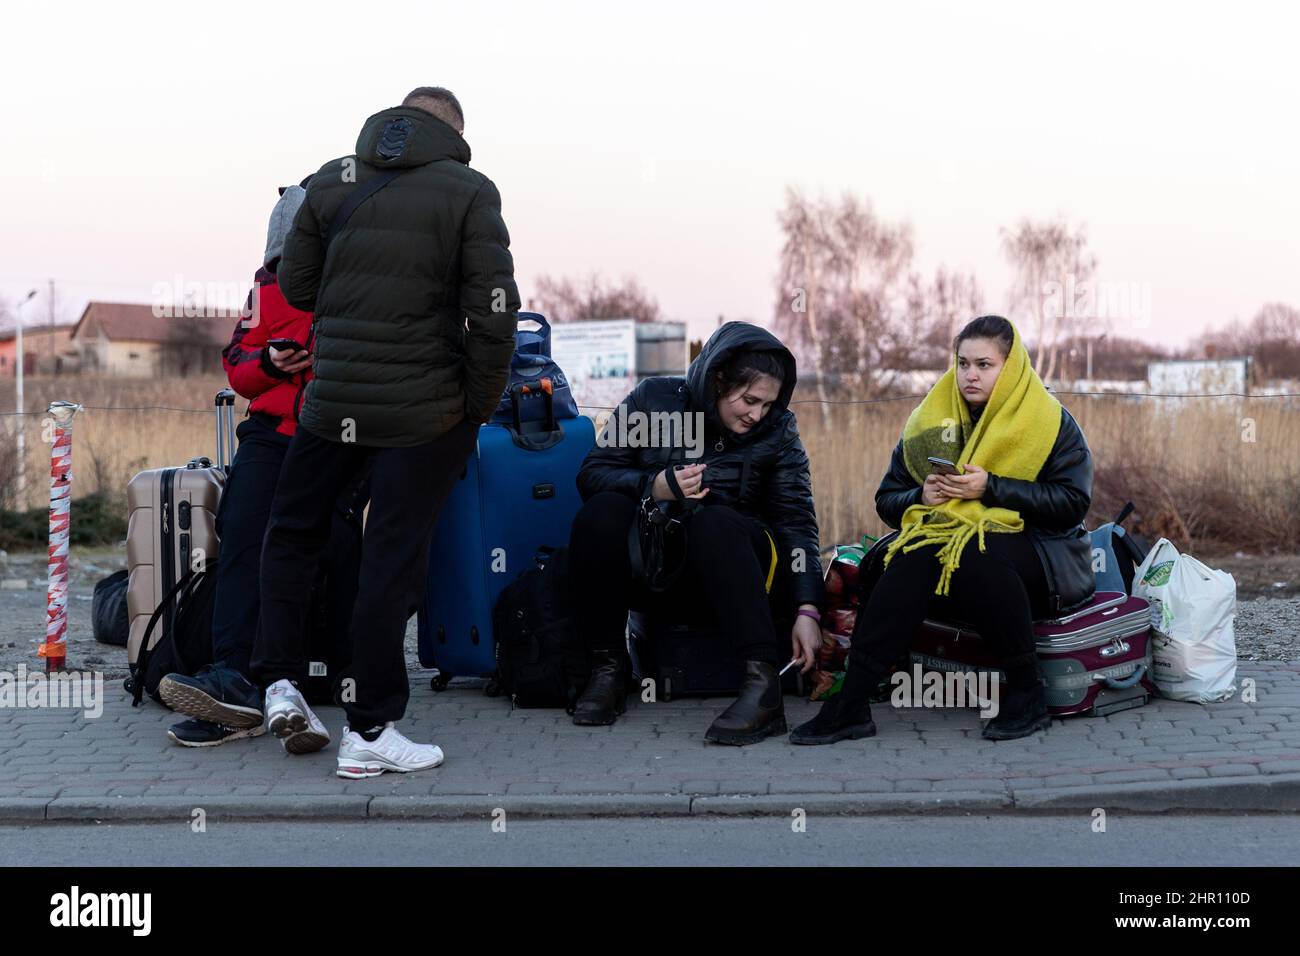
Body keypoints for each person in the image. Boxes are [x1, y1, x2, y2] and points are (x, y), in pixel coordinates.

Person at [249, 87, 519, 778]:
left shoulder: (333, 178)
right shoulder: (469, 190)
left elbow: (299, 286)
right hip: (422, 410)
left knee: (293, 530)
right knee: (390, 555)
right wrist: (477, 405)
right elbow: (491, 313)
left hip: (331, 398)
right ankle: (369, 728)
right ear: (454, 130)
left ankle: (279, 680)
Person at [791, 315, 1095, 745]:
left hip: (1044, 554)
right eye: (963, 363)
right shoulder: (931, 421)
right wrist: (921, 496)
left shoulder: (1050, 422)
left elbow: (1071, 505)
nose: (970, 375)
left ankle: (1027, 694)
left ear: (1012, 368)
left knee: (975, 551)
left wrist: (992, 488)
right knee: (916, 553)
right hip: (950, 543)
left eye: (985, 365)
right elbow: (887, 499)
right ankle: (852, 703)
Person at [159, 183, 369, 747]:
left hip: (337, 437)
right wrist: (272, 363)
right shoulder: (264, 287)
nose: (286, 263)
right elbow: (237, 364)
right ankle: (232, 678)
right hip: (271, 436)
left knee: (327, 546)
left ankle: (307, 679)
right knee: (244, 536)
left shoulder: (358, 285)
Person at [569, 321, 825, 745]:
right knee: (602, 512)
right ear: (718, 380)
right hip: (659, 566)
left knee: (713, 519)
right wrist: (656, 486)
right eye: (748, 400)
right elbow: (592, 474)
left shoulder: (779, 429)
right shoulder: (652, 401)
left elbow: (797, 520)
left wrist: (808, 609)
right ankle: (608, 671)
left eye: (767, 403)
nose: (757, 414)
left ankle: (763, 690)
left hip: (739, 571)